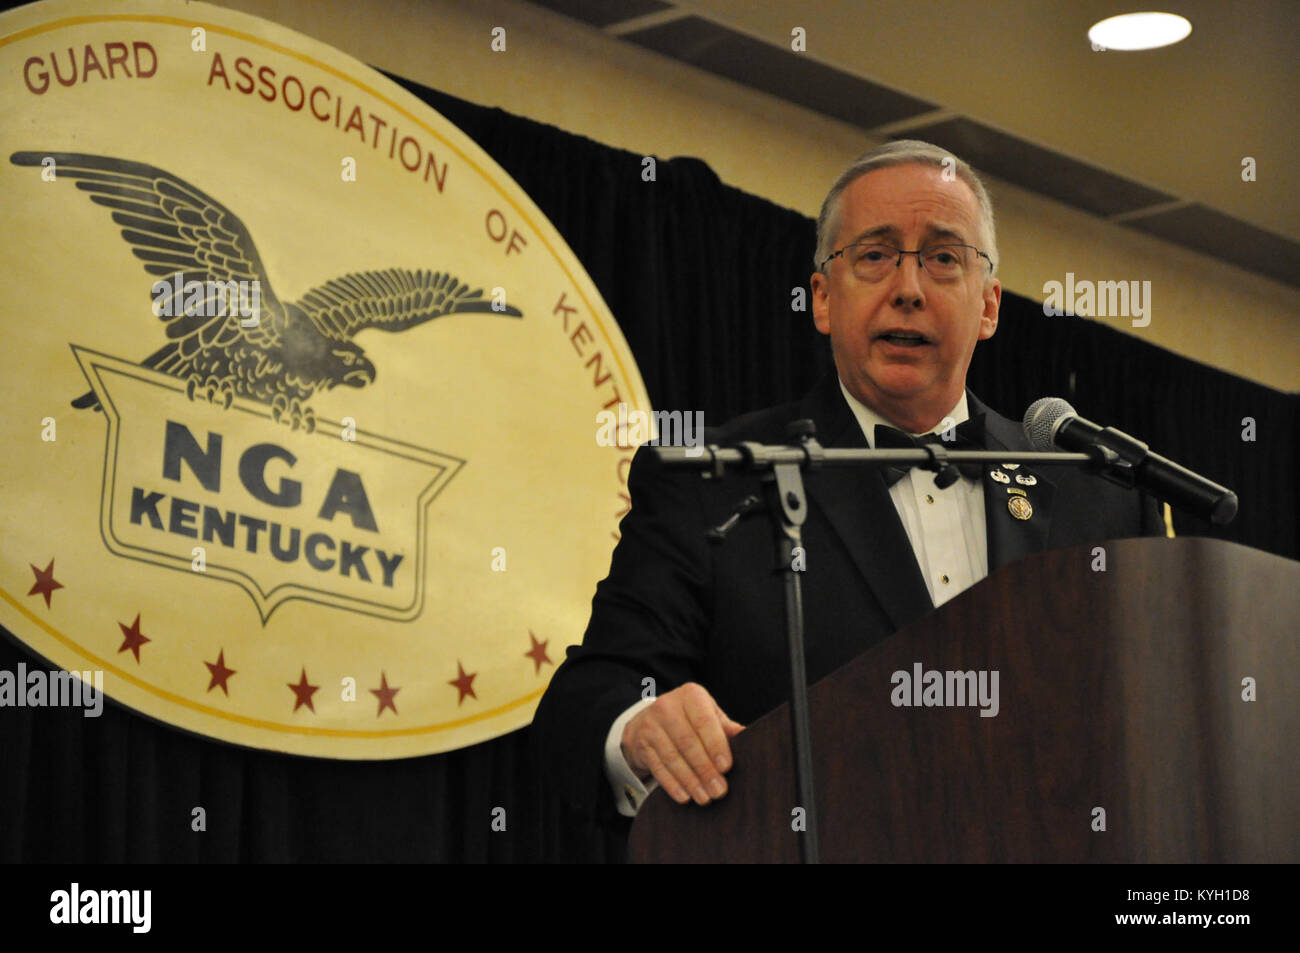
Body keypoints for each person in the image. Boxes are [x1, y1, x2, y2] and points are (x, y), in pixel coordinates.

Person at [531, 140, 1162, 837]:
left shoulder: (1094, 495)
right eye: (875, 255)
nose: (910, 287)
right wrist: (639, 725)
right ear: (823, 298)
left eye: (943, 257)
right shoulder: (713, 478)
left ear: (989, 306)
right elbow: (585, 700)